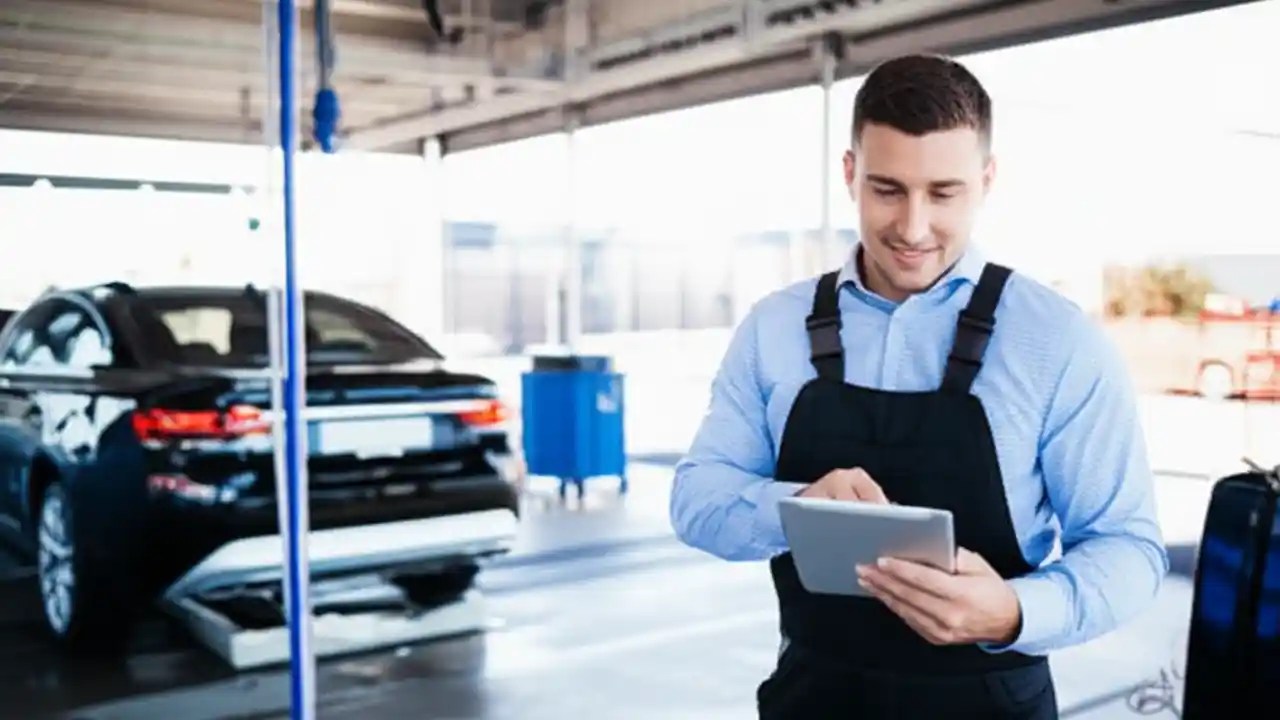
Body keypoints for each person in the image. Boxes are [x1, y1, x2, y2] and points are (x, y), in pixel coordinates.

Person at [669, 53, 1169, 719]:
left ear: (986, 180)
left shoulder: (1056, 341)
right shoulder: (775, 328)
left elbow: (1129, 549)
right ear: (849, 174)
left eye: (943, 193)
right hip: (812, 697)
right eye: (887, 189)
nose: (911, 228)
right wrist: (798, 507)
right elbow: (697, 499)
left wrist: (1015, 611)